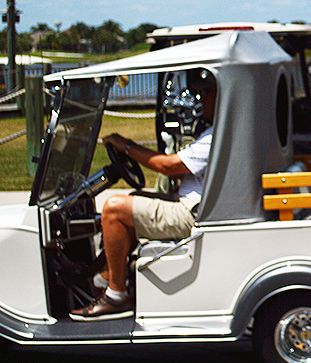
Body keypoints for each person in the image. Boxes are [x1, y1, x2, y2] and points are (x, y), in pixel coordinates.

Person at [70, 70, 216, 321]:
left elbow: (168, 166)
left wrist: (126, 146)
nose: (200, 100)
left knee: (114, 208)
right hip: (197, 205)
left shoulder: (215, 136)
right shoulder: (219, 131)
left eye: (206, 94)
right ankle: (106, 274)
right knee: (135, 196)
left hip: (194, 214)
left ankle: (116, 295)